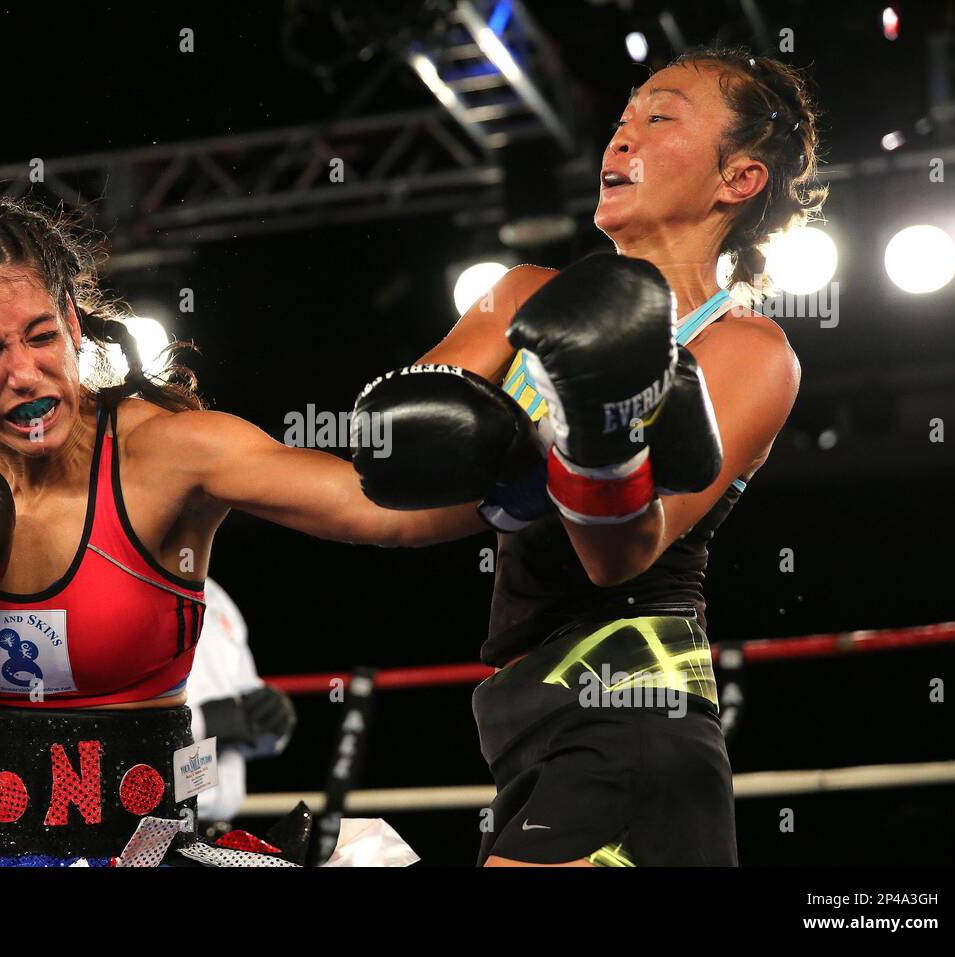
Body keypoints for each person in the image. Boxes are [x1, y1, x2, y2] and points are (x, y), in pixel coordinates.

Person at [0, 193, 481, 867]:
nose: (22, 373)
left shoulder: (167, 453)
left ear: (72, 325)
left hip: (133, 853)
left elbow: (381, 509)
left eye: (41, 336)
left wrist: (535, 471)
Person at [350, 46, 819, 866]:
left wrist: (572, 433)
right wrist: (182, 458)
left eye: (659, 117)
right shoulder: (521, 296)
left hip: (633, 707)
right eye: (623, 118)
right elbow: (380, 481)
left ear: (739, 178)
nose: (622, 137)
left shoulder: (747, 348)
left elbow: (624, 550)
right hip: (529, 722)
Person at [184, 577, 296, 827]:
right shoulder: (111, 586)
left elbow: (245, 700)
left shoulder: (214, 594)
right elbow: (98, 719)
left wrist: (273, 721)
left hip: (219, 829)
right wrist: (200, 724)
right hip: (146, 830)